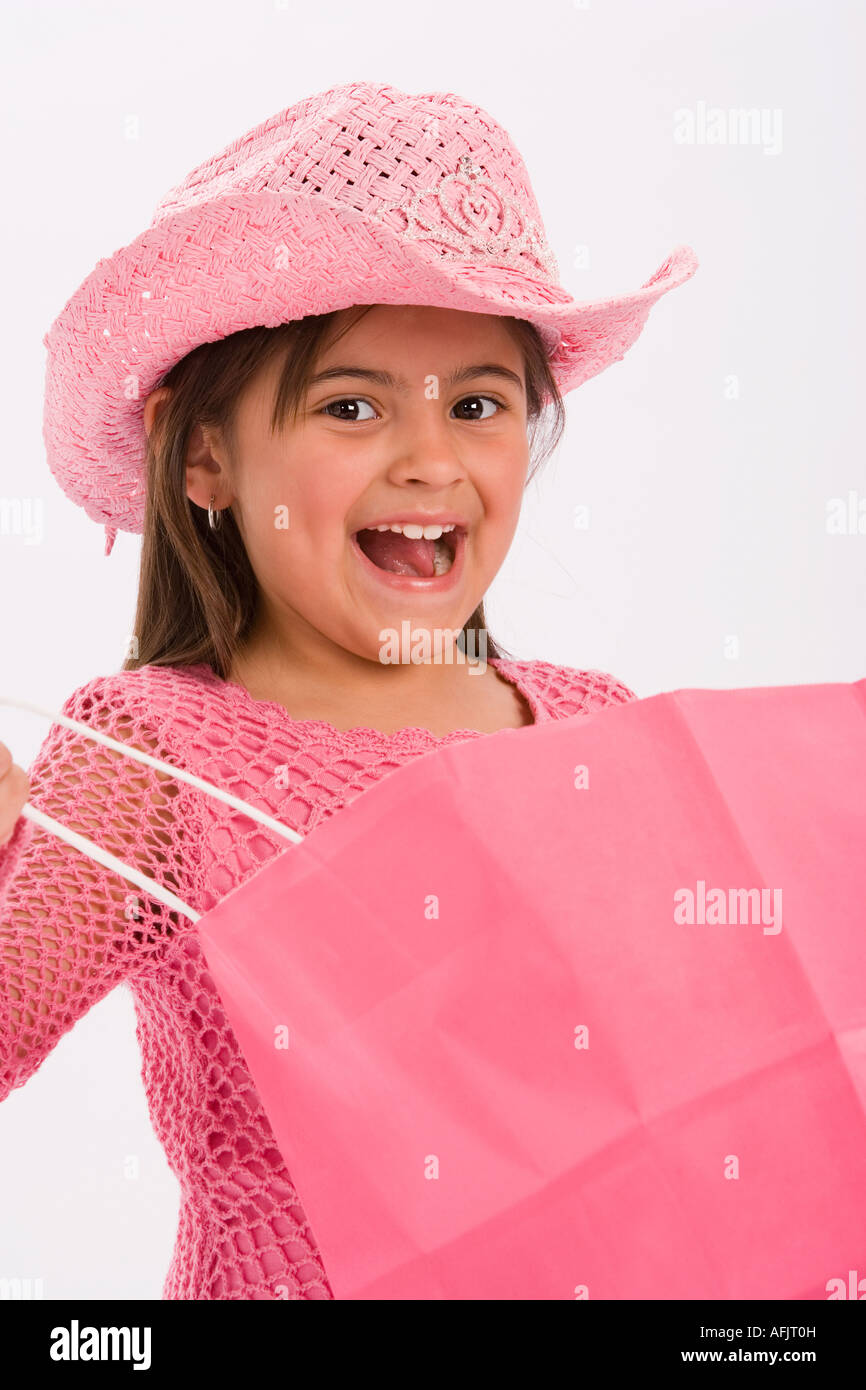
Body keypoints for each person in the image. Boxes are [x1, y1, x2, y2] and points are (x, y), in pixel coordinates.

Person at [0, 79, 697, 1299]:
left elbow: (712, 1075)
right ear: (204, 452)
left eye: (478, 403)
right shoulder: (154, 756)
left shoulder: (599, 727)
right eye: (351, 404)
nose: (430, 458)